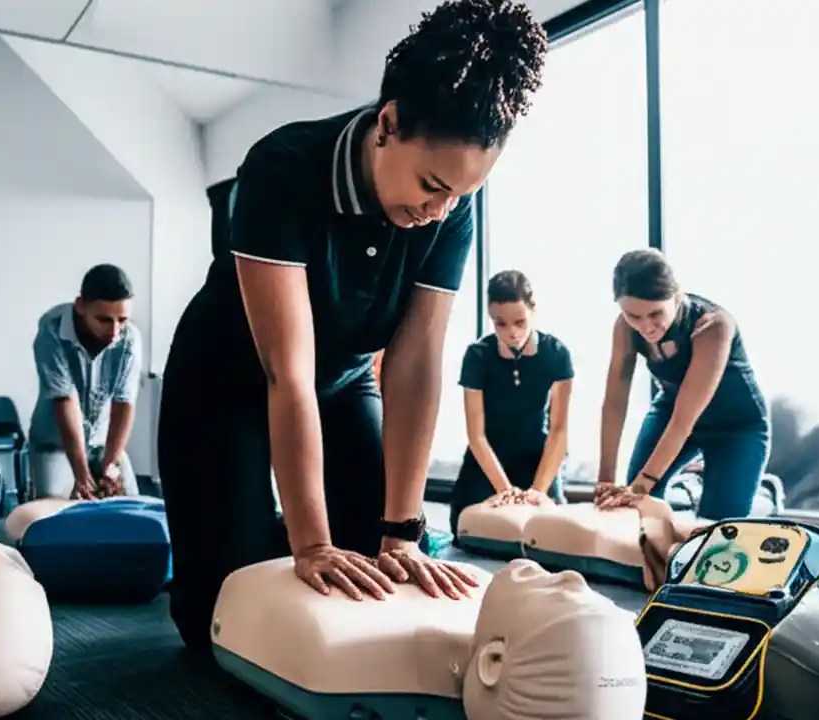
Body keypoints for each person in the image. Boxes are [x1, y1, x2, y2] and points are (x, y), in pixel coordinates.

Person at [156, 0, 550, 650]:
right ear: (389, 122)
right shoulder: (282, 168)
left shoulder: (449, 213)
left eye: (460, 194)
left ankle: (297, 530)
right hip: (225, 383)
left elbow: (417, 361)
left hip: (338, 383)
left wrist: (404, 528)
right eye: (430, 184)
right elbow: (288, 368)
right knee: (215, 616)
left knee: (380, 563)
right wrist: (311, 544)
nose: (439, 209)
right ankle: (268, 534)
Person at [595, 249, 770, 521]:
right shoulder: (625, 327)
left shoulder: (713, 325)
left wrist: (639, 488)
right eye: (633, 315)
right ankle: (694, 480)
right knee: (637, 505)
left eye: (655, 313)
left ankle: (761, 496)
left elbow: (683, 421)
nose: (646, 327)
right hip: (671, 407)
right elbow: (615, 402)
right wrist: (605, 479)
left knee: (716, 528)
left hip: (736, 427)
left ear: (676, 295)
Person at [449, 270, 573, 536]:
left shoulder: (556, 354)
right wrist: (504, 491)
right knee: (464, 526)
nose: (512, 332)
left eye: (519, 321)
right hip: (488, 459)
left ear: (533, 310)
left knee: (553, 531)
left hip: (536, 457)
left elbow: (559, 430)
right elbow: (476, 434)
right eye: (500, 324)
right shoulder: (477, 356)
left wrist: (538, 491)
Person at [28, 264, 142, 500]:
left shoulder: (129, 337)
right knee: (52, 513)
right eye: (104, 320)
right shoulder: (52, 327)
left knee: (132, 505)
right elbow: (64, 401)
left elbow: (124, 403)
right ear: (80, 306)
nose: (114, 331)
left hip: (101, 442)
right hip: (55, 441)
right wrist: (81, 475)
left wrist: (110, 466)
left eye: (121, 320)